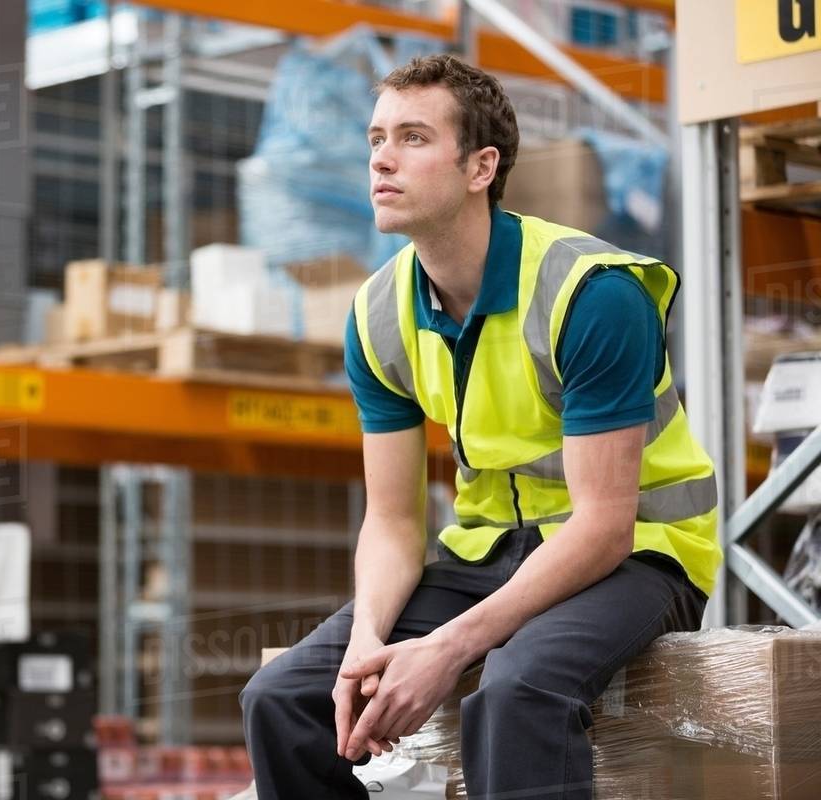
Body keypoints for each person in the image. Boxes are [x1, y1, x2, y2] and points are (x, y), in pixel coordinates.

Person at [239, 54, 720, 800]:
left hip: (639, 554)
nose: (381, 159)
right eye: (375, 139)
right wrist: (368, 640)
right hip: (488, 551)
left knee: (516, 689)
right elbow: (394, 522)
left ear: (480, 166)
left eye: (412, 138)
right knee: (280, 698)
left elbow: (603, 527)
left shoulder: (591, 294)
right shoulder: (376, 316)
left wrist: (448, 647)